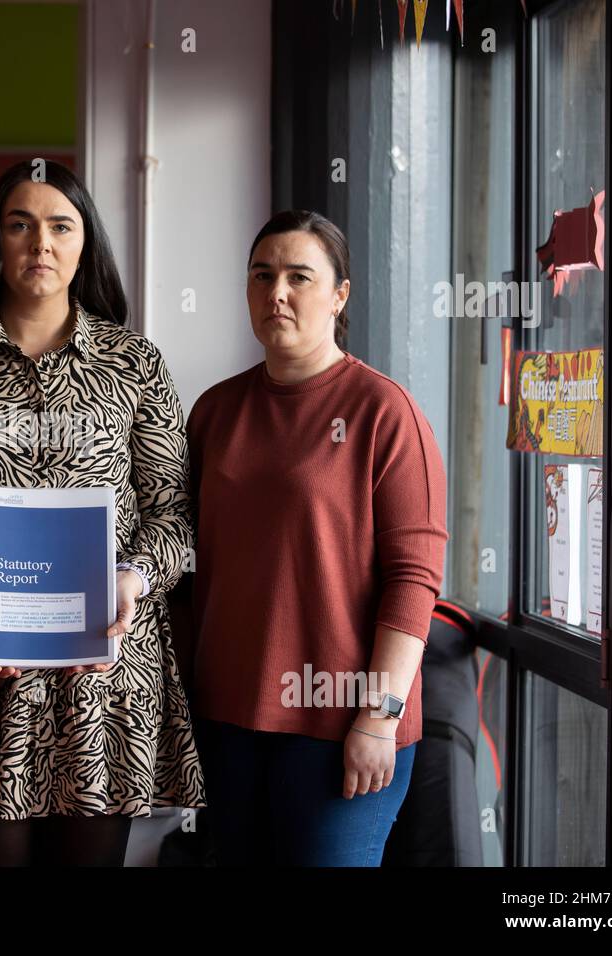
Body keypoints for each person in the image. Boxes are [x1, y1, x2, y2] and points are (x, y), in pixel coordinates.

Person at [0, 160, 205, 866]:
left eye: (61, 226)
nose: (41, 244)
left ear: (85, 243)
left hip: (101, 678)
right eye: (20, 225)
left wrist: (133, 581)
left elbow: (174, 521)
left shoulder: (134, 366)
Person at [186, 209, 448, 866]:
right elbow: (184, 560)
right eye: (262, 275)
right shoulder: (215, 411)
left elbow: (414, 581)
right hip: (228, 721)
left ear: (339, 294)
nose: (276, 292)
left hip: (341, 726)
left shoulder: (383, 412)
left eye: (299, 276)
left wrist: (379, 717)